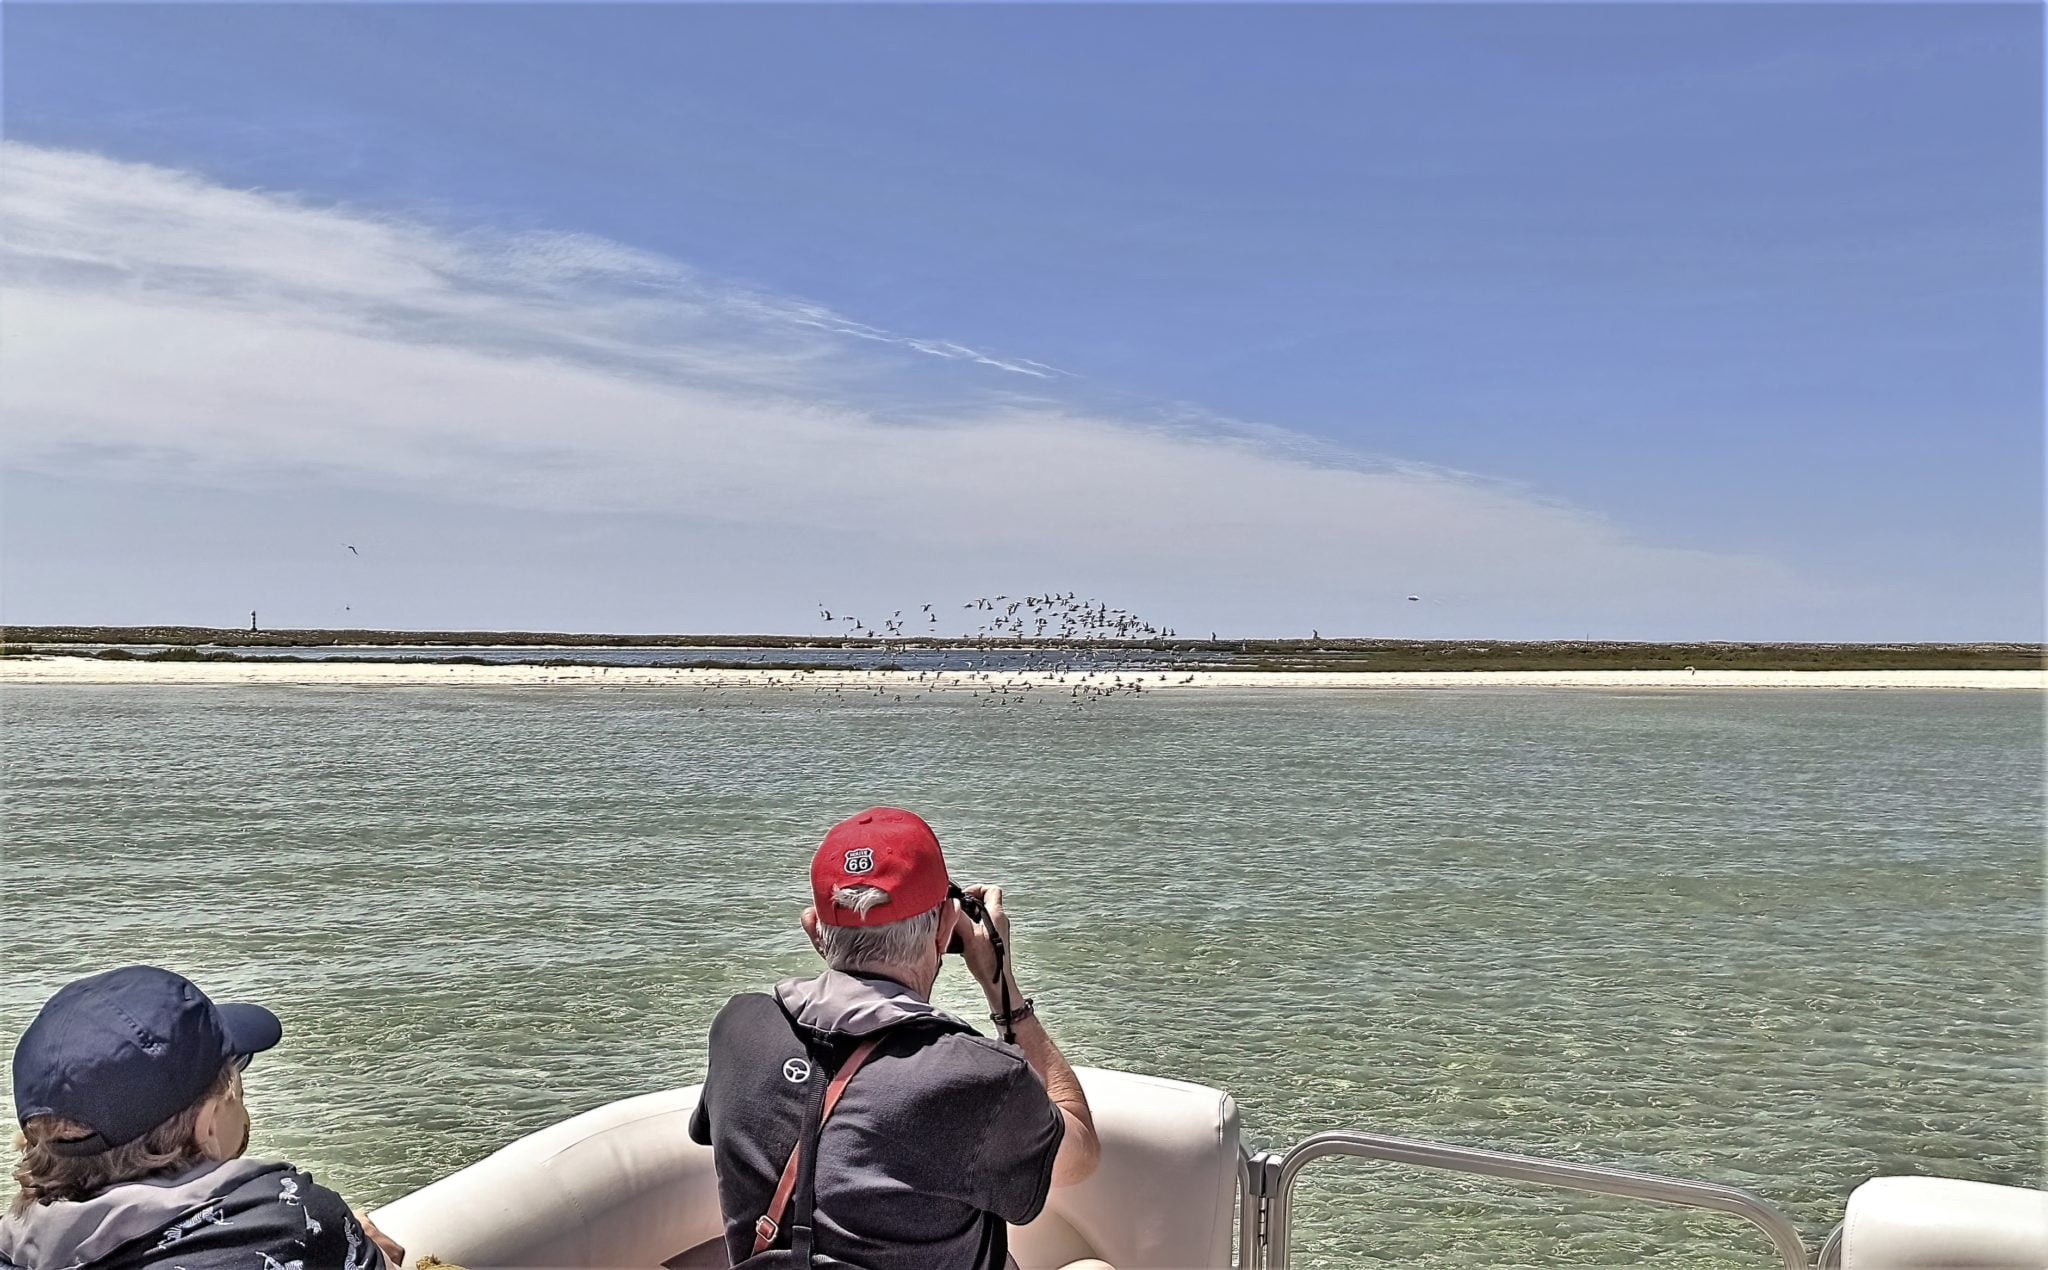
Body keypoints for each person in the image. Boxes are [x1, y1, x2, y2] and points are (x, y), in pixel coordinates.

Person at [690, 807, 1103, 1270]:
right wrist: (1000, 984)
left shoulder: (738, 1026)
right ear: (947, 927)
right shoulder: (979, 1076)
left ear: (814, 930)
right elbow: (1080, 1152)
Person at [1, 966, 404, 1270]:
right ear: (208, 1126)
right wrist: (356, 1246)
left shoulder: (13, 1246)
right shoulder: (291, 1221)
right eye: (236, 1080)